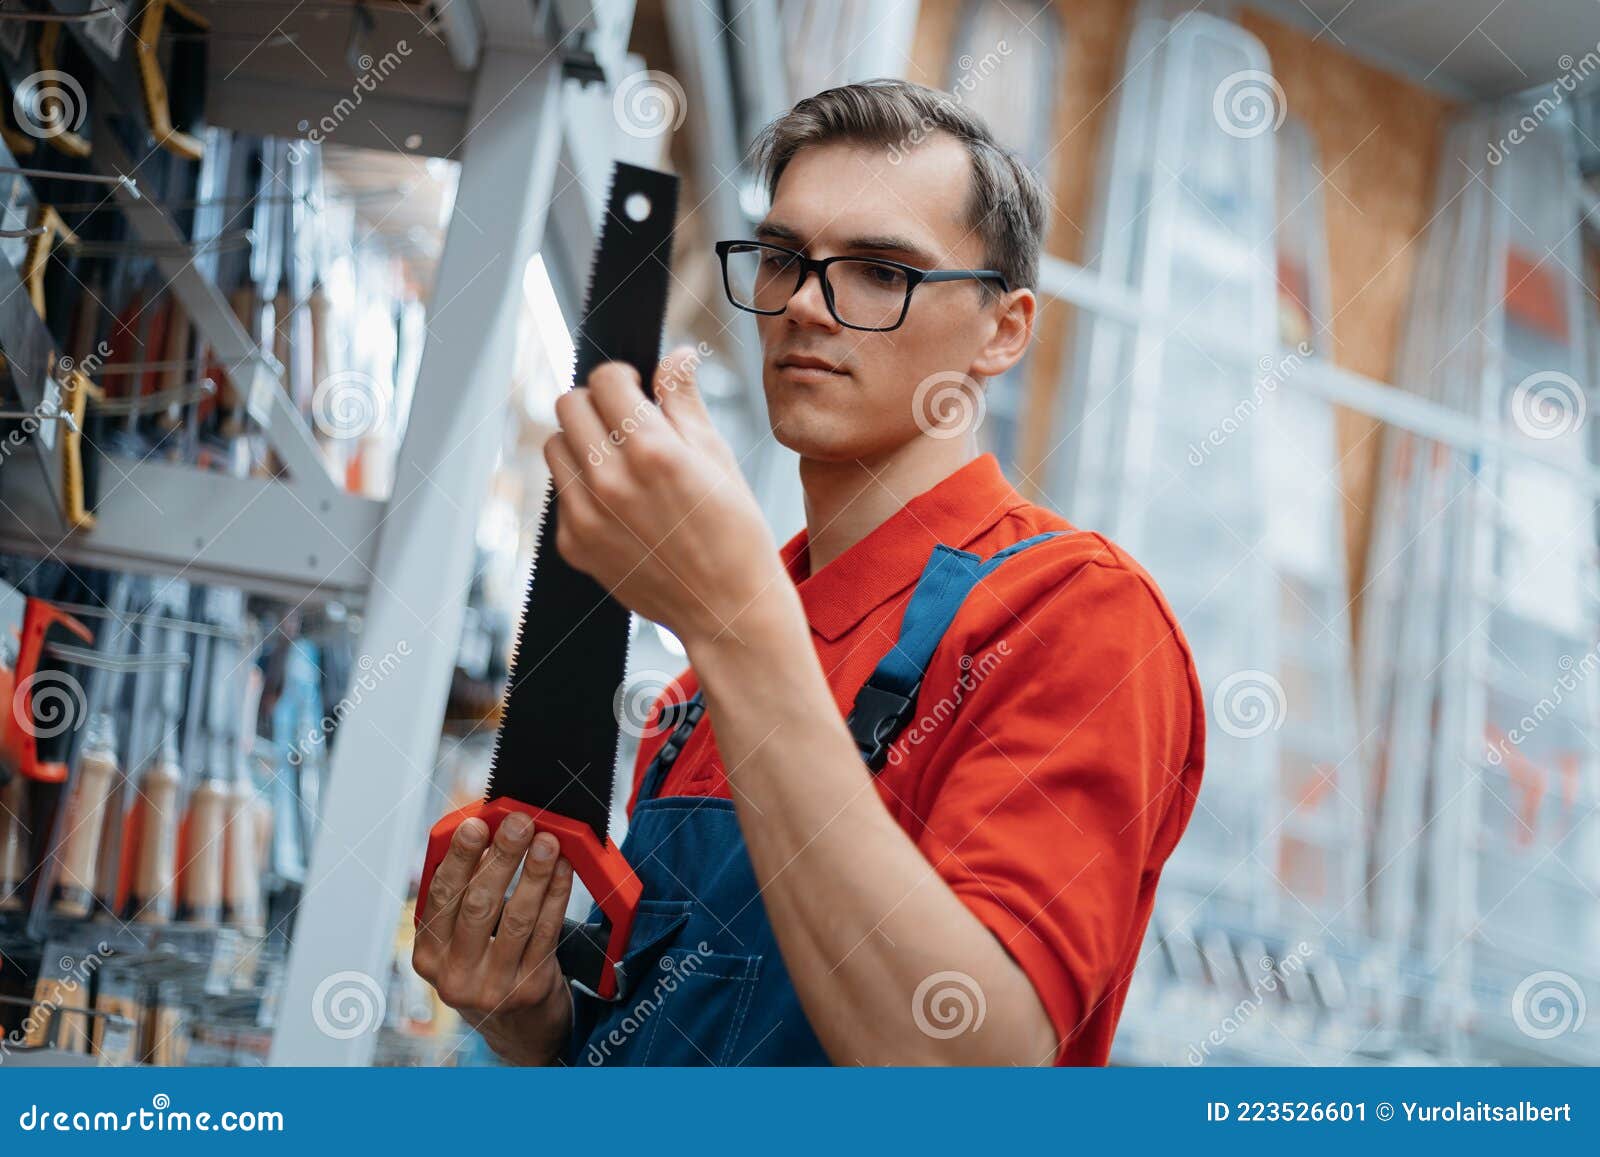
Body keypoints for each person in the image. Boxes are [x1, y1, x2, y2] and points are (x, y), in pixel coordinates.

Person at [412, 79, 1205, 1066]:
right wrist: (531, 1015)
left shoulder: (1075, 615)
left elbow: (962, 1066)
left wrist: (735, 617)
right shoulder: (701, 689)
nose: (802, 305)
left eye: (879, 270)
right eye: (784, 257)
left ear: (1003, 329)